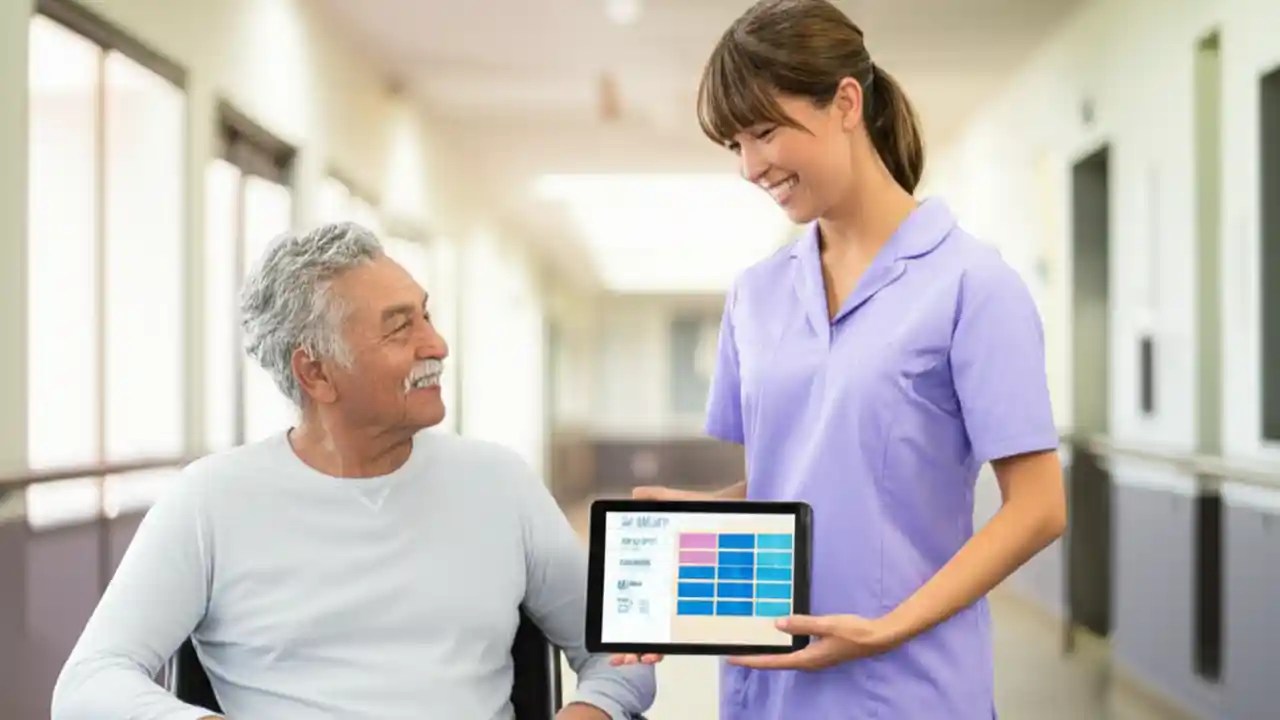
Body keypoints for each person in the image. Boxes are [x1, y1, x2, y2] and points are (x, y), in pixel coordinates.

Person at [615, 0, 1066, 718]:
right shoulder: (756, 295)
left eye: (765, 132)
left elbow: (1039, 508)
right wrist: (699, 524)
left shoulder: (972, 284)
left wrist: (887, 630)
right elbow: (799, 469)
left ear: (846, 103)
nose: (750, 166)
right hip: (769, 684)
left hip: (911, 687)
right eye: (735, 144)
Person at [52, 222, 655, 720]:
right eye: (400, 327)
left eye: (426, 315)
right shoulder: (210, 500)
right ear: (315, 373)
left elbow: (621, 655)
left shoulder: (501, 484)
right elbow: (89, 684)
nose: (436, 344)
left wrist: (590, 712)